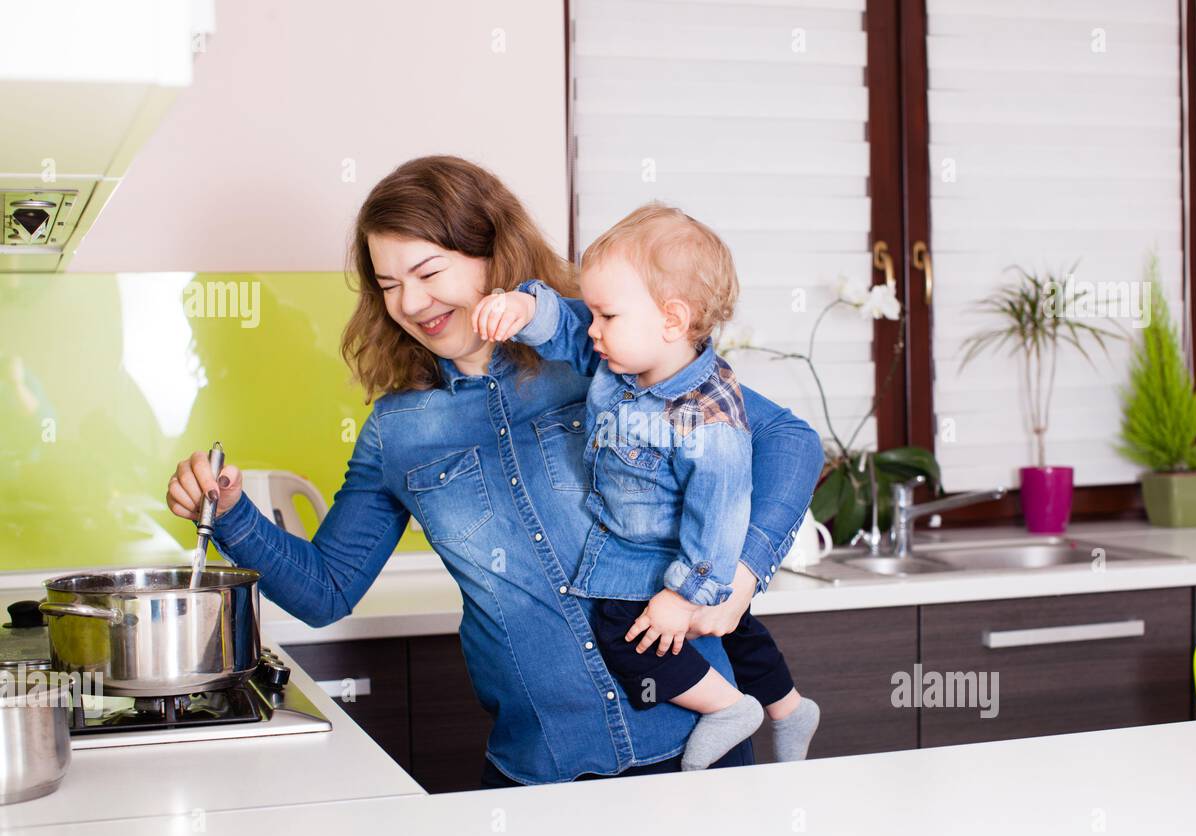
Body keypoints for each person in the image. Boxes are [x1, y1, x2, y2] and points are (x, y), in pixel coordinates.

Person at [166, 156, 824, 788]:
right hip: (537, 772)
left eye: (427, 272)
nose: (411, 302)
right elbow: (325, 591)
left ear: (493, 254)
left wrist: (738, 579)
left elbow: (786, 440)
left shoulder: (602, 355)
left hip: (691, 752)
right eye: (389, 286)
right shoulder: (396, 431)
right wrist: (230, 515)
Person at [473, 202, 820, 770]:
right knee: (738, 631)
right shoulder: (622, 361)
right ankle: (788, 707)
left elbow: (721, 516)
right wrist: (522, 307)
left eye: (606, 316)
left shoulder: (711, 420)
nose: (593, 330)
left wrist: (685, 595)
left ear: (672, 320)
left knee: (628, 634)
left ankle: (729, 708)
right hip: (654, 540)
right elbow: (563, 327)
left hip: (661, 556)